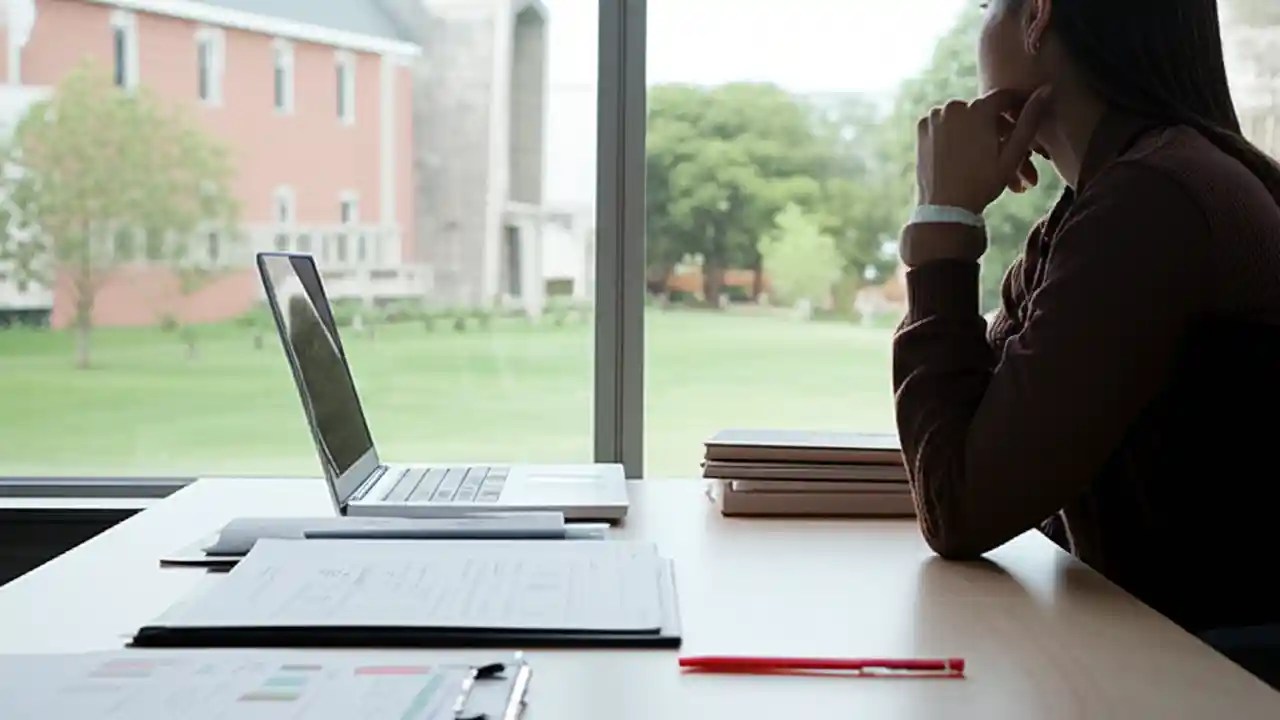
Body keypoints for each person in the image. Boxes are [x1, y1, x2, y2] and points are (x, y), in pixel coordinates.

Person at [894, 0, 1280, 641]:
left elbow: (959, 507)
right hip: (1169, 661)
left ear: (1038, 13)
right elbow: (983, 437)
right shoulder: (1116, 195)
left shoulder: (1152, 202)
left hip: (1215, 684)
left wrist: (943, 222)